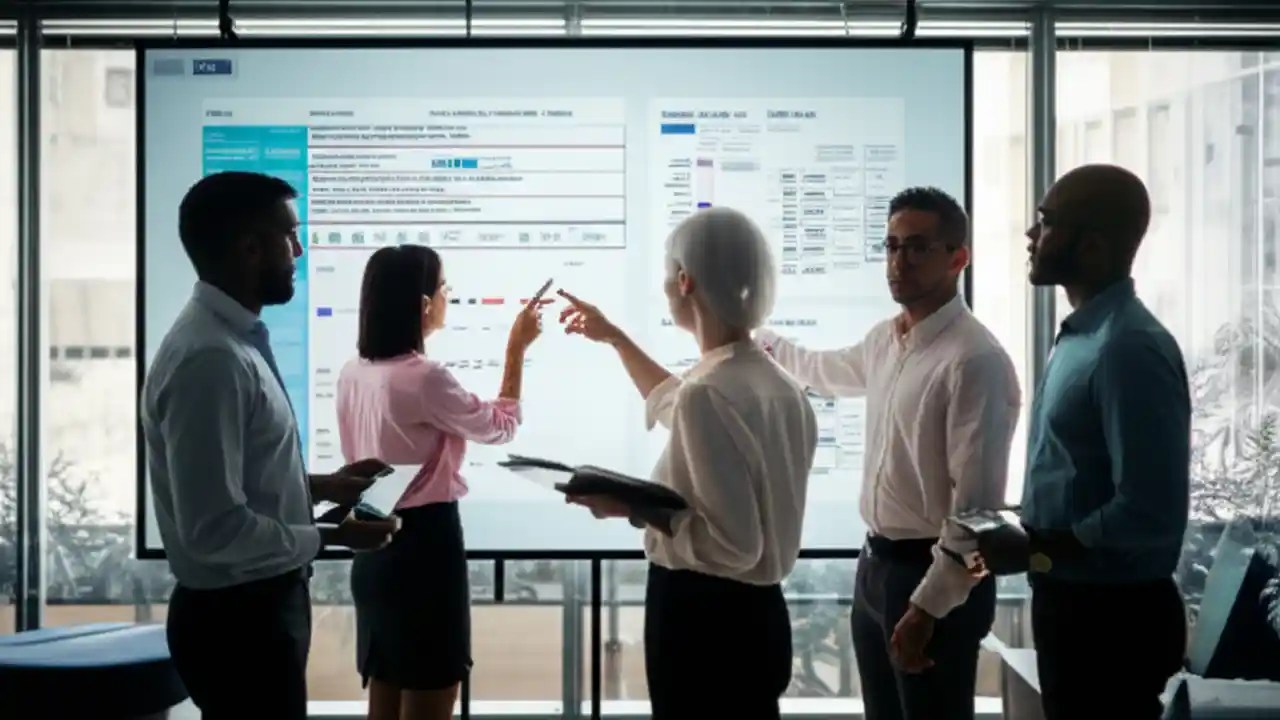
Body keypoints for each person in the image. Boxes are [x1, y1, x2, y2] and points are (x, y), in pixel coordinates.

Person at [754, 187, 1021, 720]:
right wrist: (761, 339)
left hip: (931, 579)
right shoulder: (888, 340)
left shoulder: (975, 360)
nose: (899, 262)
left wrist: (927, 607)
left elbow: (976, 511)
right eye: (892, 246)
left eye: (918, 248)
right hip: (875, 568)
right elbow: (823, 371)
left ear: (958, 258)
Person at [141, 171, 399, 720]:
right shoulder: (209, 360)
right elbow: (214, 527)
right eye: (291, 235)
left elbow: (230, 477)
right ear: (251, 247)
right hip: (239, 622)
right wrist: (330, 535)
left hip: (255, 610)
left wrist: (324, 486)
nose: (299, 250)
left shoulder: (231, 341)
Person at [559, 207, 818, 719]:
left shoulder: (710, 393)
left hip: (702, 625)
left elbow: (733, 545)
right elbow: (675, 403)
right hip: (759, 623)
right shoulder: (779, 387)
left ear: (684, 280)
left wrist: (634, 510)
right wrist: (614, 336)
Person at [335, 244, 545, 720]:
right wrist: (516, 348)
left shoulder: (353, 373)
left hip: (371, 547)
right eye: (445, 287)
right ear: (425, 305)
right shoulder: (424, 378)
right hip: (425, 549)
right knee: (431, 691)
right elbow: (500, 426)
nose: (449, 296)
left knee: (384, 696)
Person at [1019, 164, 1189, 719]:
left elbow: (1148, 510)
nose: (1030, 235)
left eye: (1045, 222)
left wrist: (1039, 546)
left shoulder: (1127, 349)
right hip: (1072, 603)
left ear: (1091, 247)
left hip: (1112, 619)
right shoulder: (1081, 337)